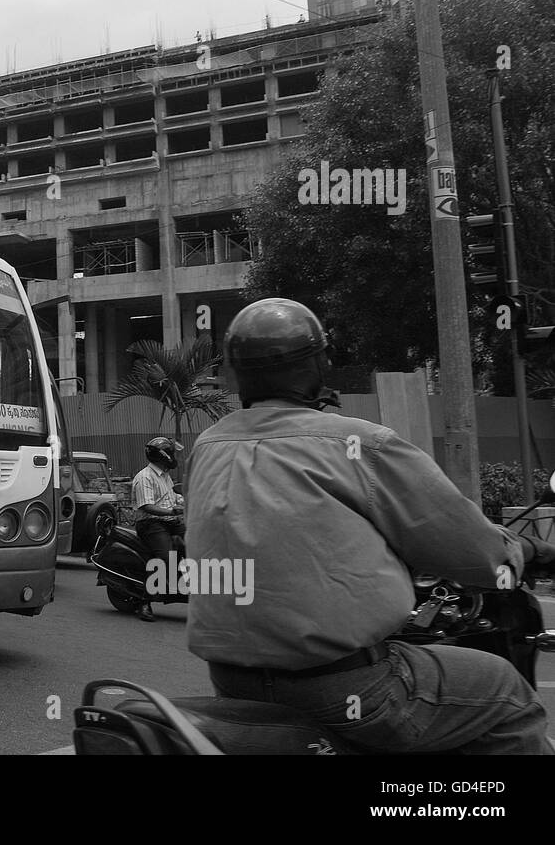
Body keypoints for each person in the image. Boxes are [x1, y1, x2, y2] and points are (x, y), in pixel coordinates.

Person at [184, 297, 555, 754]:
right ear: (318, 363)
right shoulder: (359, 444)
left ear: (239, 374)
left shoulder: (209, 444)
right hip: (344, 687)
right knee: (507, 692)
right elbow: (477, 554)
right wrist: (524, 551)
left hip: (231, 682)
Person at [130, 436, 185, 622]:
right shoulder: (144, 477)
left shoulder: (165, 475)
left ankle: (181, 584)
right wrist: (171, 510)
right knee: (164, 557)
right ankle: (144, 602)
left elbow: (173, 497)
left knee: (198, 543)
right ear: (163, 456)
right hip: (151, 524)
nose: (173, 456)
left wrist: (182, 501)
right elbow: (146, 506)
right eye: (170, 452)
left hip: (170, 521)